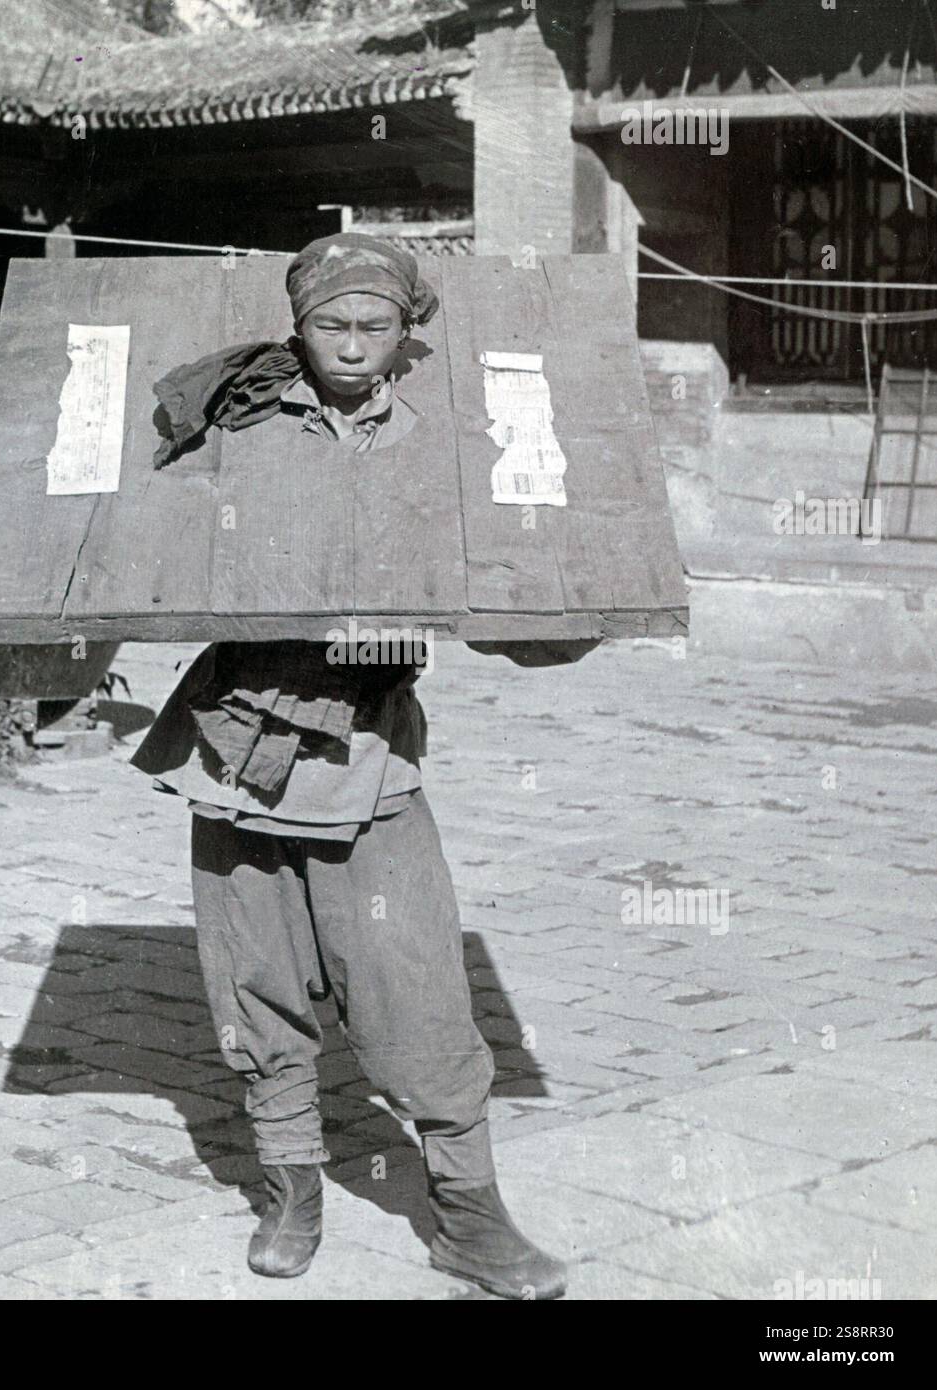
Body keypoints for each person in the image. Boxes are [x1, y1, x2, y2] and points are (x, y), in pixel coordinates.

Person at [130, 233, 599, 1299]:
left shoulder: (437, 438)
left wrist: (576, 603)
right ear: (296, 327)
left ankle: (471, 1221)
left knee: (416, 992)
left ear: (405, 336)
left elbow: (501, 575)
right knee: (257, 987)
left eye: (374, 327)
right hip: (234, 745)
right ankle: (291, 1191)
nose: (350, 346)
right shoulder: (239, 421)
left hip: (369, 756)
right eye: (330, 325)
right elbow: (145, 543)